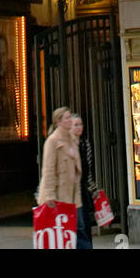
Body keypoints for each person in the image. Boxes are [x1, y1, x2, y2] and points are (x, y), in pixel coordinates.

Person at [36, 106, 82, 242]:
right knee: (58, 237)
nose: (70, 121)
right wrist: (50, 195)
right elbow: (48, 171)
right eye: (67, 118)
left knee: (70, 234)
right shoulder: (52, 142)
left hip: (72, 195)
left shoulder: (72, 140)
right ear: (59, 122)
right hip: (57, 197)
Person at [71, 114, 97, 250]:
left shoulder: (85, 143)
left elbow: (89, 168)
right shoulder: (68, 145)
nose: (79, 128)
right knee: (77, 225)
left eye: (80, 124)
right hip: (71, 191)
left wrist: (93, 188)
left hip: (82, 189)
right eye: (75, 125)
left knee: (84, 224)